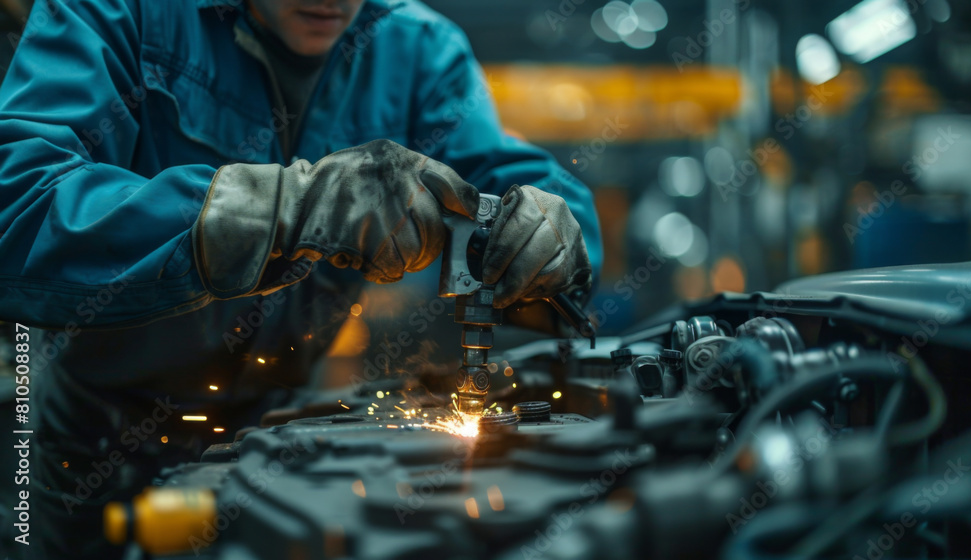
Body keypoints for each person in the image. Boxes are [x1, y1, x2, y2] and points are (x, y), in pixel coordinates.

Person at [0, 0, 601, 558]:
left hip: (281, 439)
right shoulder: (121, 9)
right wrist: (283, 208)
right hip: (92, 443)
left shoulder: (416, 50)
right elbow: (20, 206)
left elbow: (504, 176)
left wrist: (555, 232)